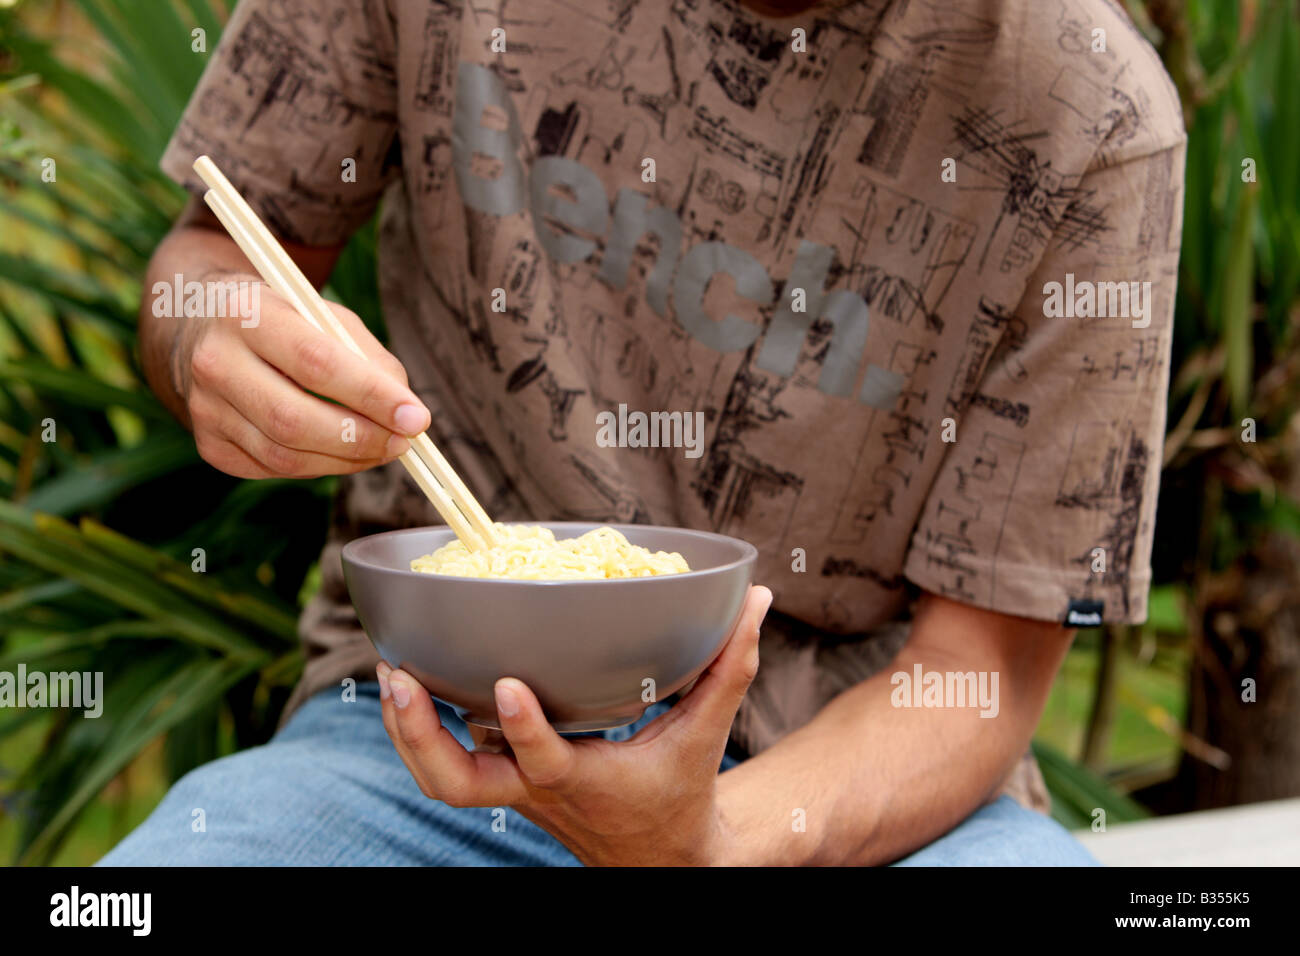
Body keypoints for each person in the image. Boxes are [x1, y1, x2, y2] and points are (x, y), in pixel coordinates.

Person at [100, 0, 1185, 866]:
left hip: (850, 791)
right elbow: (215, 256)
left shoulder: (1090, 113)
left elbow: (978, 671)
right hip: (425, 735)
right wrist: (212, 337)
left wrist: (705, 841)